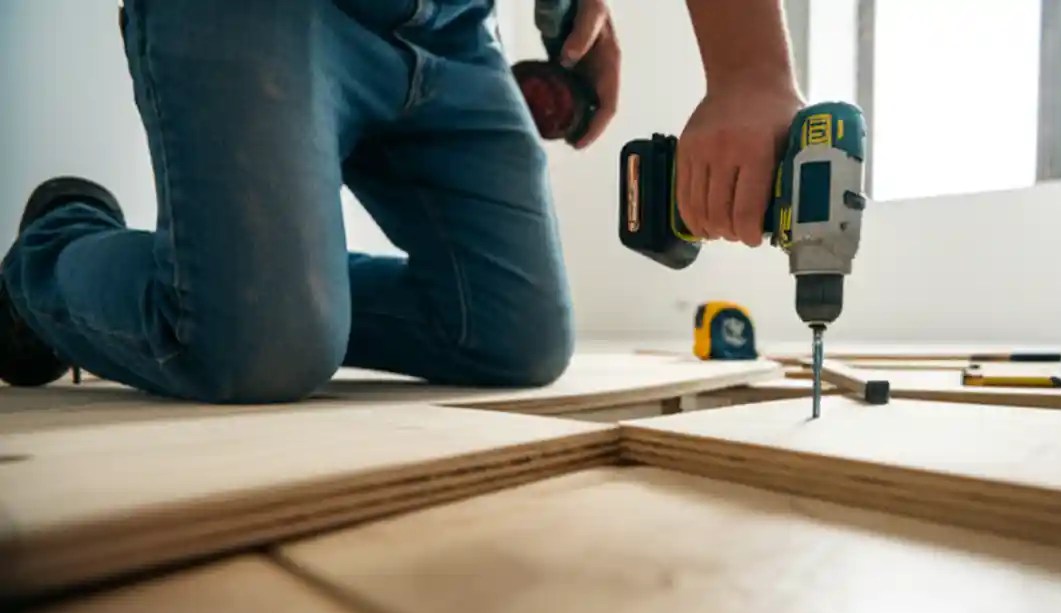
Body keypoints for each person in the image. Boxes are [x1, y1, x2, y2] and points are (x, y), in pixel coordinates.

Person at [0, 0, 804, 403]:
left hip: (451, 29)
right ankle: (52, 250)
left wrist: (749, 74)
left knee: (514, 338)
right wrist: (747, 73)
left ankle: (272, 291)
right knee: (259, 350)